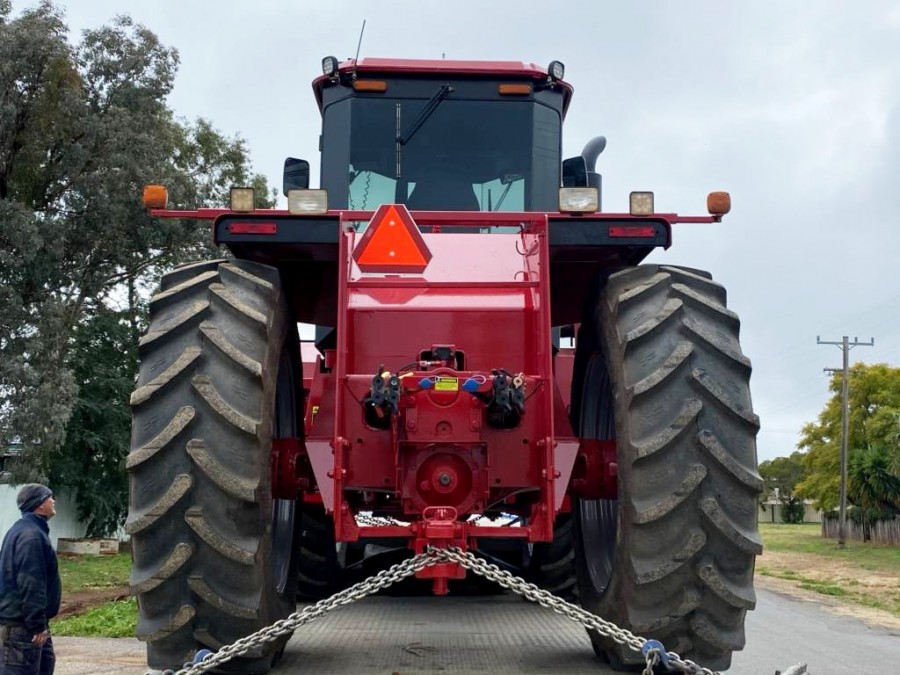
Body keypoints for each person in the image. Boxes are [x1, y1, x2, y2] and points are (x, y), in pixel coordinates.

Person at [0, 484, 60, 675]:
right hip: (22, 626)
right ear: (40, 505)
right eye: (50, 497)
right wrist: (36, 625)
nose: (53, 501)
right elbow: (31, 583)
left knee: (45, 664)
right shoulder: (31, 536)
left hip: (29, 623)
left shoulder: (28, 530)